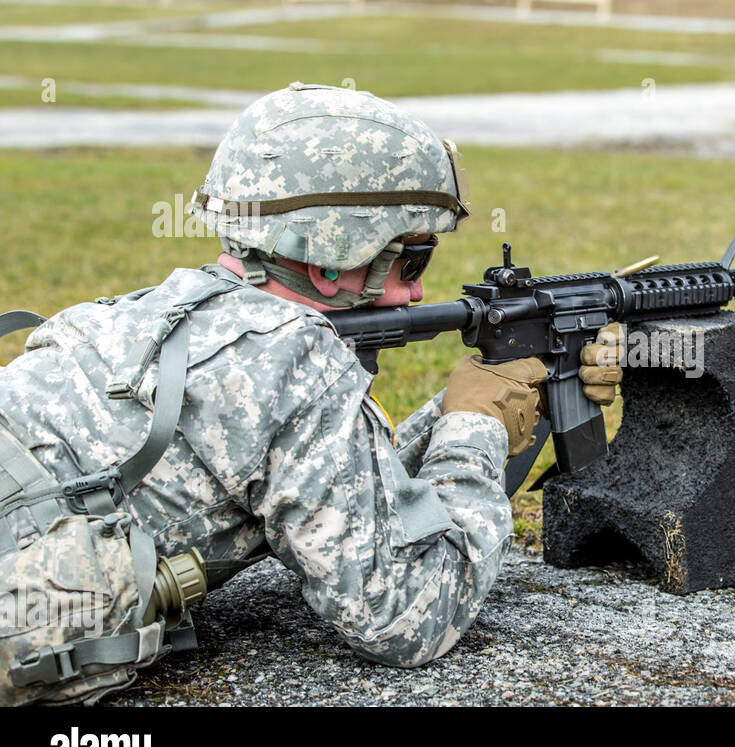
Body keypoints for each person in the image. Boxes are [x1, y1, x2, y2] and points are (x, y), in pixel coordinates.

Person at [0, 83, 622, 706]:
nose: (413, 292)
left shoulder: (129, 314)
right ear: (331, 259)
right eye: (412, 261)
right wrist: (476, 428)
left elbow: (334, 494)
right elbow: (409, 613)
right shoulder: (295, 358)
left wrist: (478, 396)